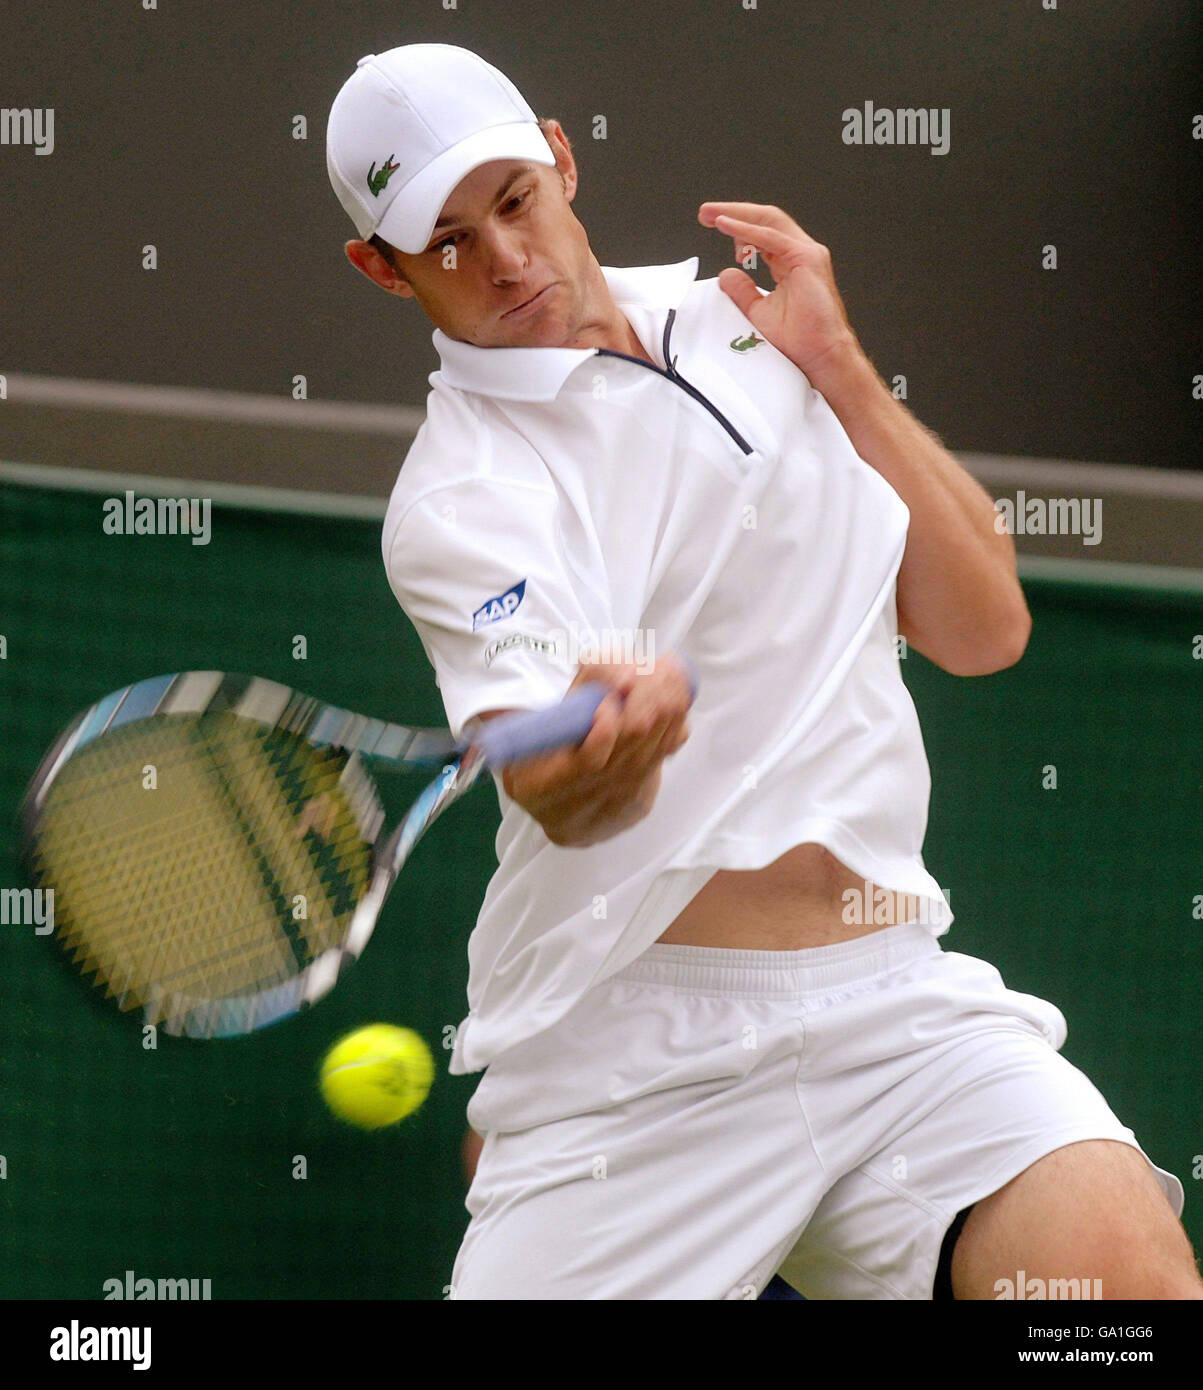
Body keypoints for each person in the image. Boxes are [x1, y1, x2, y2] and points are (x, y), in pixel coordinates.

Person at [326, 42, 1202, 1300]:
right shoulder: (466, 498)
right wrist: (610, 751)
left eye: (514, 199)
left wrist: (841, 369)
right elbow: (561, 787)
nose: (506, 258)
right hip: (635, 1062)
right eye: (448, 241)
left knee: (1123, 1286)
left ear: (562, 160)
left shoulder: (745, 321)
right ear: (383, 268)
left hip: (893, 999)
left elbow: (983, 628)